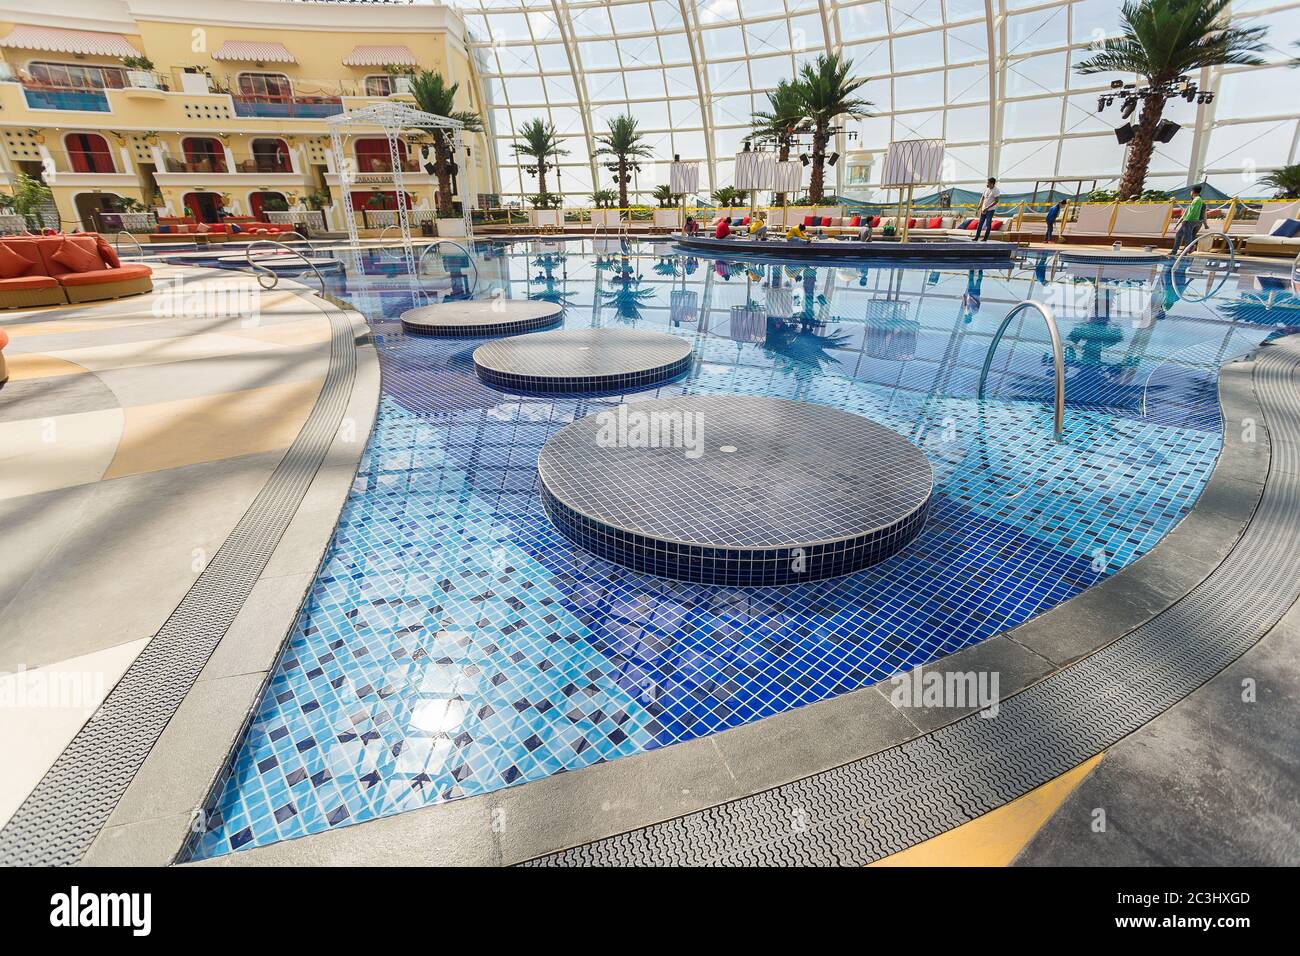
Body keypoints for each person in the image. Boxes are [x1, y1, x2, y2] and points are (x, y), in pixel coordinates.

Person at [1173, 185, 1206, 254]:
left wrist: (1186, 220)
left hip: (1190, 220)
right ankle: (1174, 251)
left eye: (1191, 191)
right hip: (1192, 220)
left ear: (1193, 192)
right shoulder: (1198, 200)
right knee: (1179, 235)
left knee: (1187, 237)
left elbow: (1193, 211)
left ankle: (1185, 251)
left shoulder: (1197, 200)